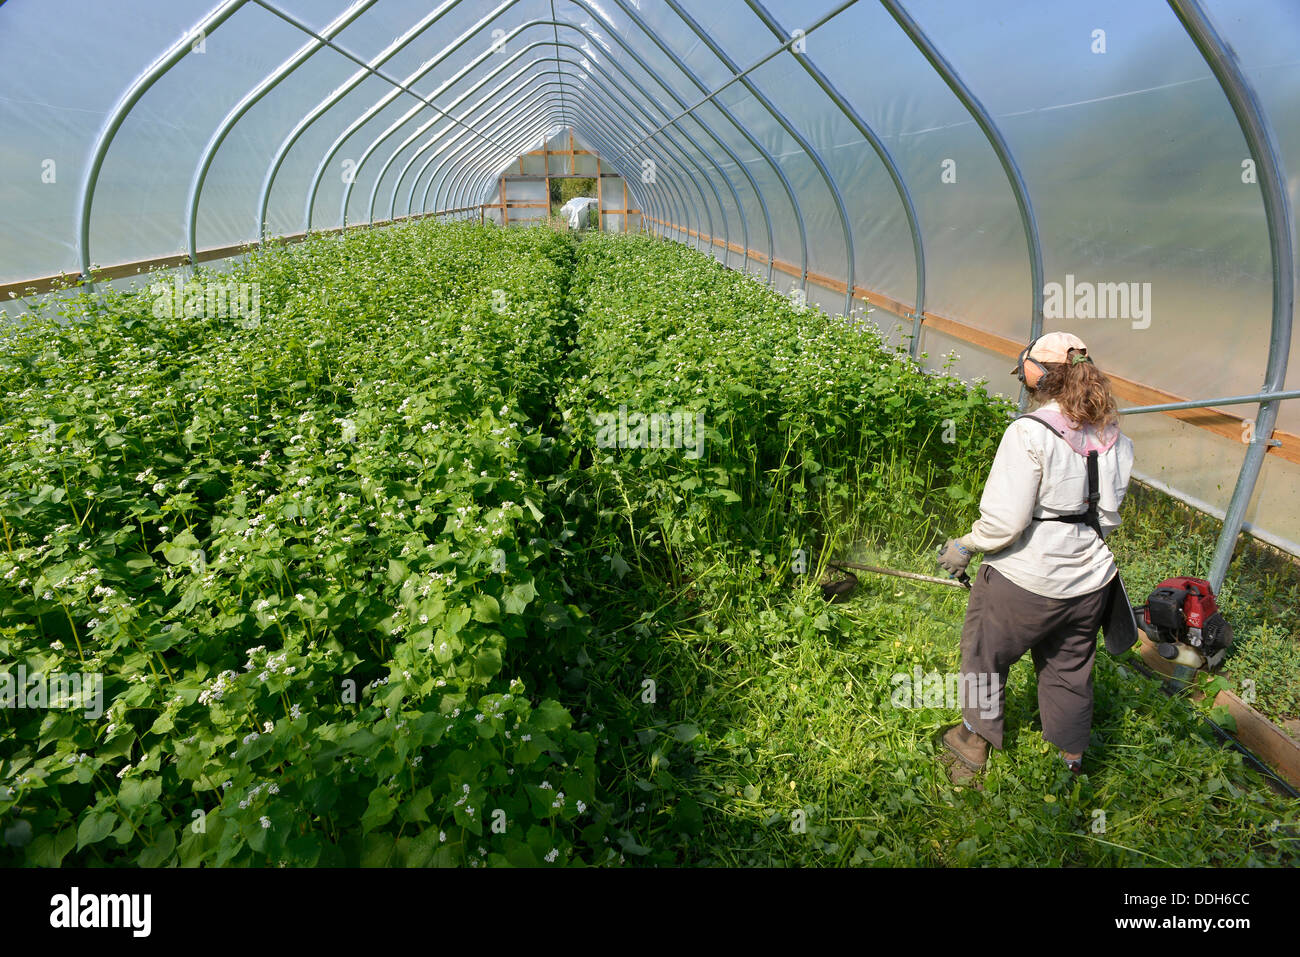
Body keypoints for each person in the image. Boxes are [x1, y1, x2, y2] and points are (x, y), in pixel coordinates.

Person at [935, 331, 1134, 781]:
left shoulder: (1029, 431)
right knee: (1070, 669)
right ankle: (1071, 764)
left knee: (984, 658)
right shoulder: (1114, 437)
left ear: (1036, 375)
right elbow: (1109, 515)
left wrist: (966, 546)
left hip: (1024, 581)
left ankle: (972, 745)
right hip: (1091, 582)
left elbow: (1005, 523)